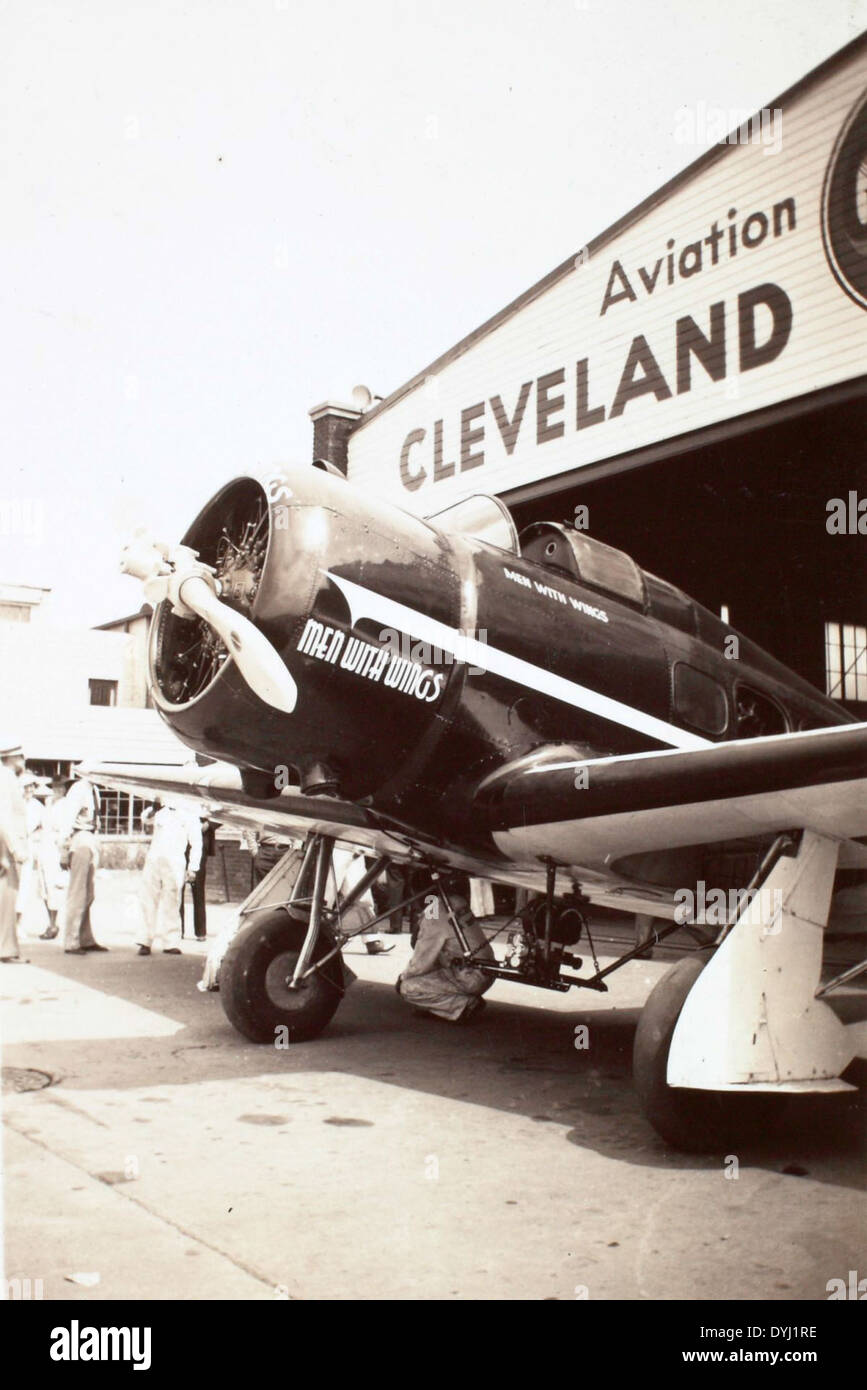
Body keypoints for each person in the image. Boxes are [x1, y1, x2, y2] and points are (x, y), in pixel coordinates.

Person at [396, 886, 495, 1022]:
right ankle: (453, 1002)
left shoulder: (433, 914)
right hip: (486, 970)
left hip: (469, 977)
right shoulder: (456, 901)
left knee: (407, 988)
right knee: (438, 957)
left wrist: (403, 977)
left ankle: (462, 1005)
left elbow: (421, 961)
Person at [138, 798, 201, 955]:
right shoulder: (161, 810)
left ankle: (170, 942)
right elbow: (145, 819)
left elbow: (197, 842)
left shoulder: (190, 811)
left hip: (175, 861)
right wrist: (154, 808)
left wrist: (193, 867)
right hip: (154, 858)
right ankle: (145, 941)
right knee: (148, 899)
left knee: (172, 900)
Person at [60, 775, 106, 955]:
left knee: (89, 893)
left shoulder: (94, 789)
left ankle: (85, 938)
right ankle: (71, 941)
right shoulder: (78, 789)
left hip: (92, 837)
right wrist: (64, 849)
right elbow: (67, 820)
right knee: (77, 892)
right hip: (80, 838)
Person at [0, 738, 29, 963]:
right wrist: (14, 849)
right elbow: (4, 817)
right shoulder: (6, 777)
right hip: (5, 845)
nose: (23, 761)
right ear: (10, 757)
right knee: (7, 898)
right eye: (20, 756)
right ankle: (6, 949)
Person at [37, 778, 70, 939]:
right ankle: (50, 923)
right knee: (43, 887)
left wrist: (64, 851)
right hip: (44, 846)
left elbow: (65, 829)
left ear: (65, 788)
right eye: (55, 787)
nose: (58, 789)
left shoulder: (66, 805)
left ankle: (53, 924)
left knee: (54, 886)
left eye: (61, 787)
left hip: (56, 847)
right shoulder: (48, 803)